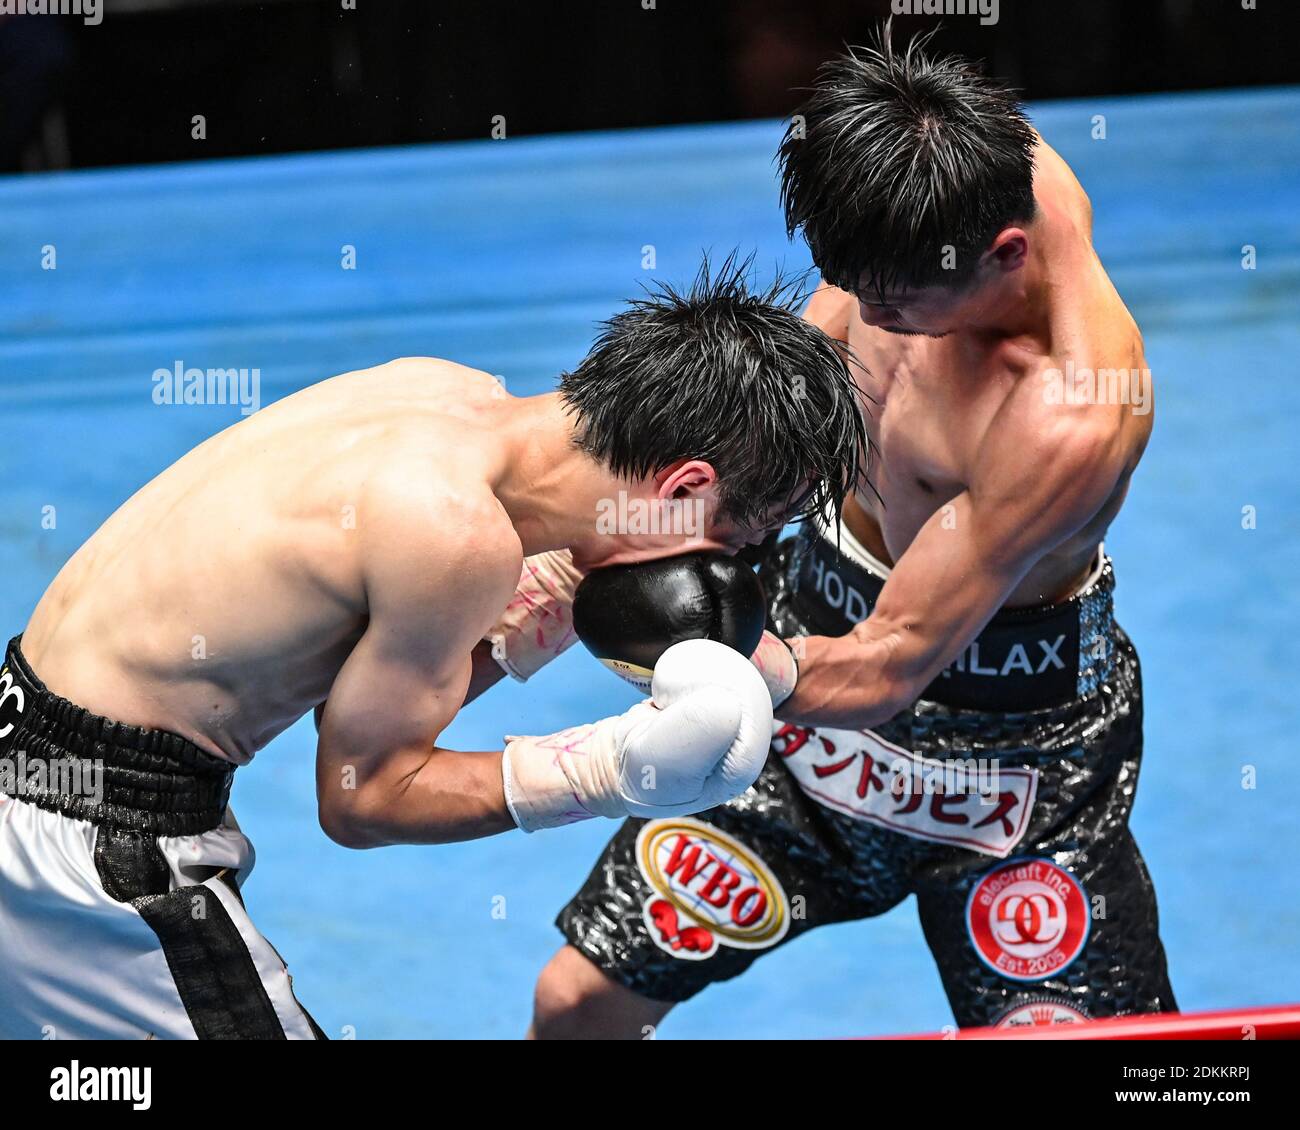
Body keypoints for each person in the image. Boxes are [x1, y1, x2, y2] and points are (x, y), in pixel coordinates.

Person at [0, 261, 865, 1039]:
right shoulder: (455, 539)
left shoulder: (442, 392)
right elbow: (362, 797)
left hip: (37, 750)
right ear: (684, 488)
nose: (727, 569)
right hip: (90, 840)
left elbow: (356, 694)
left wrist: (572, 579)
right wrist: (613, 768)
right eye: (738, 536)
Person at [532, 30, 1176, 1038]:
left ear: (1003, 255)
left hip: (1010, 764)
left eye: (892, 303)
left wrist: (699, 659)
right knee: (574, 998)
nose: (861, 314)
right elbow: (811, 356)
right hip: (812, 644)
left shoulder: (1070, 411)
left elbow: (890, 662)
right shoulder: (953, 170)